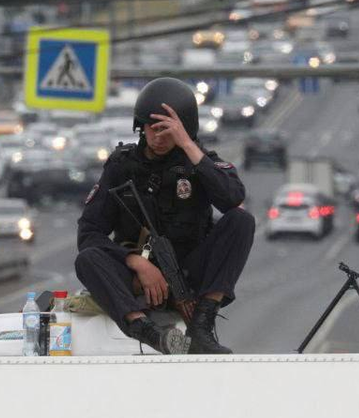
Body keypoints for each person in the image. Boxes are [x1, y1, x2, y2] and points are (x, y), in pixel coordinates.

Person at [75, 77, 254, 354]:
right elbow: (88, 233)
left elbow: (233, 198)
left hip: (189, 274)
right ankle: (147, 331)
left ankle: (201, 327)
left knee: (242, 221)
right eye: (153, 129)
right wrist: (136, 263)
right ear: (141, 127)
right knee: (88, 259)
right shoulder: (122, 166)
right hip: (138, 279)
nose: (159, 137)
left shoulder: (198, 162)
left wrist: (189, 145)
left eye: (168, 130)